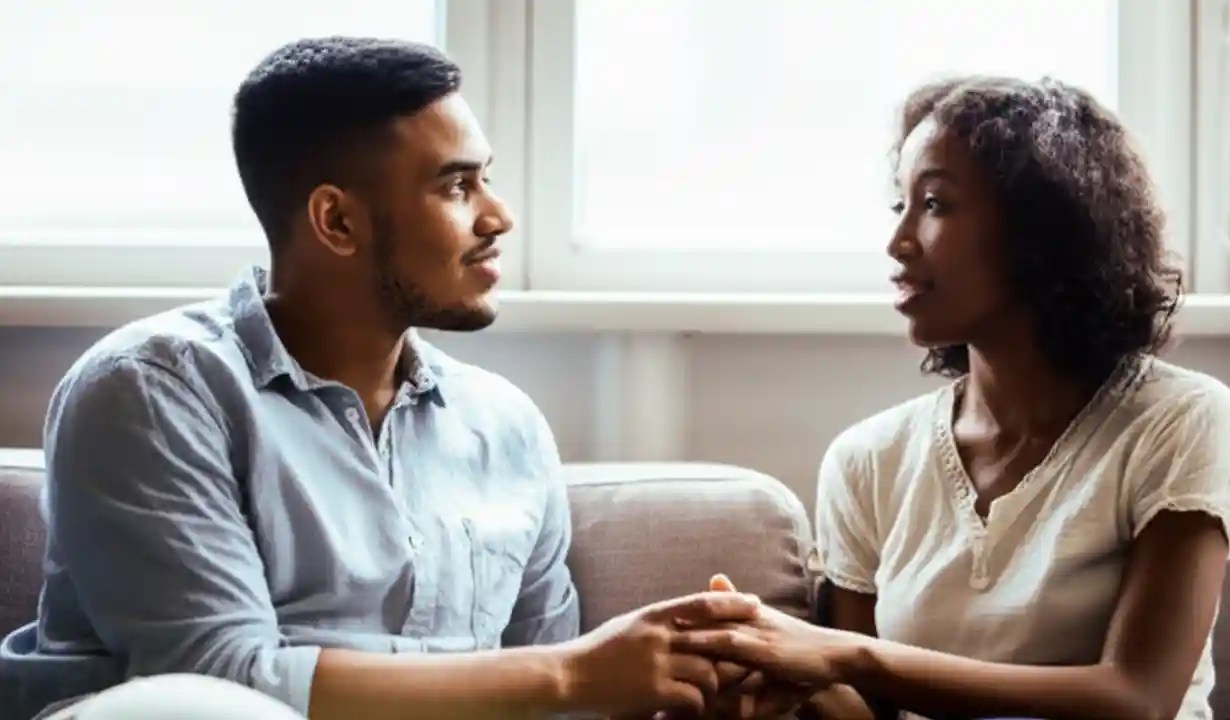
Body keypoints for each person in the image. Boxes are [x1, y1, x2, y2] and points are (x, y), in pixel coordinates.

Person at [0, 36, 764, 720]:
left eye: (486, 180)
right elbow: (217, 678)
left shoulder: (504, 426)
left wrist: (679, 686)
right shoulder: (154, 391)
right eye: (456, 186)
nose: (498, 217)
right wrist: (572, 677)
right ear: (336, 222)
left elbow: (551, 689)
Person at [672, 76, 1230, 720]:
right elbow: (865, 711)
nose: (898, 242)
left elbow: (1136, 699)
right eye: (900, 205)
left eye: (935, 205)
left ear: (1042, 231)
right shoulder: (869, 459)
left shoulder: (1179, 422)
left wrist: (844, 656)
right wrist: (765, 682)